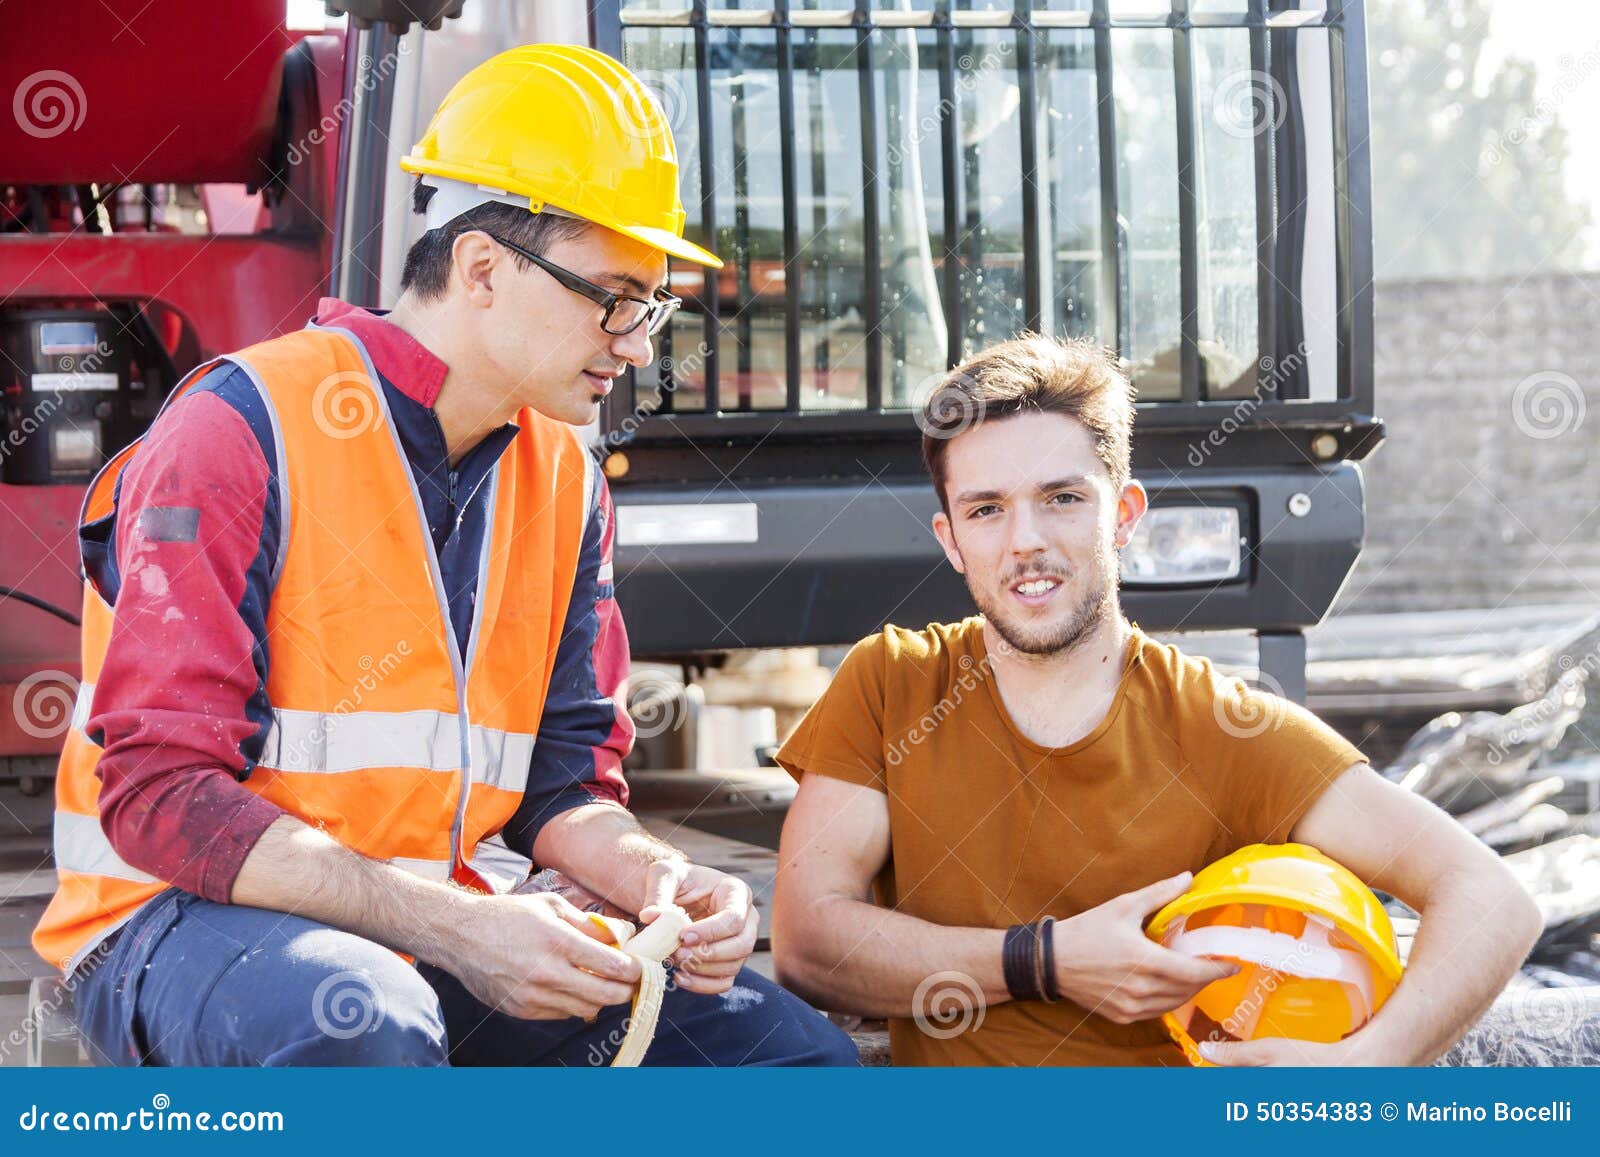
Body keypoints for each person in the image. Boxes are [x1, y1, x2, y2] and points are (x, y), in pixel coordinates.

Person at [34, 44, 855, 1069]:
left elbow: (564, 783)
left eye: (652, 306)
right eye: (615, 298)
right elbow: (160, 794)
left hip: (441, 919)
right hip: (179, 918)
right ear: (481, 269)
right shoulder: (241, 430)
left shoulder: (566, 480)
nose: (638, 343)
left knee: (790, 1061)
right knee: (362, 1023)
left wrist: (654, 874)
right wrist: (455, 926)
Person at [771, 334, 1540, 1066]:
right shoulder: (891, 684)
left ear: (1125, 515)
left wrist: (1369, 1064)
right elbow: (809, 944)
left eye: (1062, 497)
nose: (1025, 540)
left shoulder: (1222, 726)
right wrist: (1046, 960)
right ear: (950, 538)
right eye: (986, 509)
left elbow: (1490, 897)